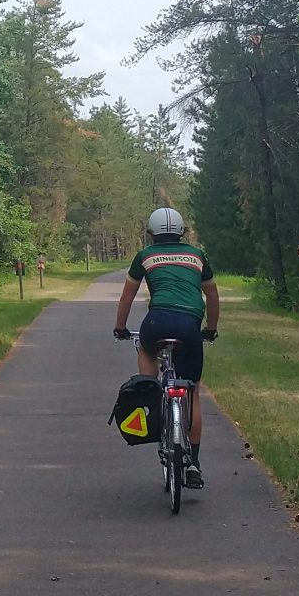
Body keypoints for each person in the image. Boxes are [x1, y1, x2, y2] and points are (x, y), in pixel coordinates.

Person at [113, 206, 219, 488]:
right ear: (182, 232)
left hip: (156, 322)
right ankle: (193, 463)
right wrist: (210, 329)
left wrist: (120, 328)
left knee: (147, 353)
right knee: (192, 393)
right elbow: (212, 295)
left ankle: (150, 393)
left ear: (150, 234)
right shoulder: (197, 256)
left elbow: (126, 297)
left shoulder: (145, 256)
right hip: (189, 325)